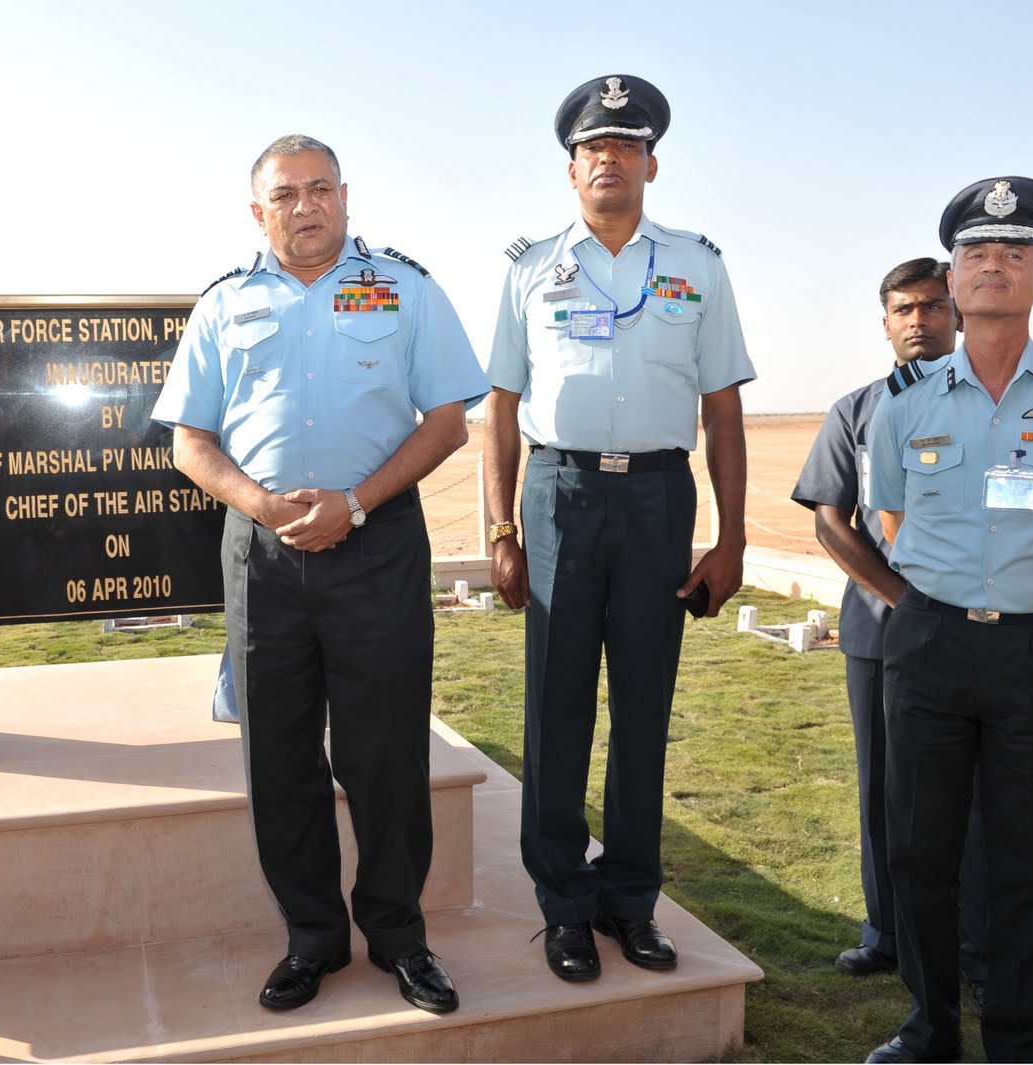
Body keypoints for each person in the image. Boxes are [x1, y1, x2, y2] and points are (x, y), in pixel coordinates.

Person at [151, 134, 488, 1014]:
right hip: (261, 556)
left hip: (376, 546)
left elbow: (447, 420)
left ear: (346, 196)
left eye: (322, 189)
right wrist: (262, 506)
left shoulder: (407, 288)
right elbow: (191, 440)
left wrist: (356, 502)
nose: (307, 206)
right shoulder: (224, 303)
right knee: (280, 756)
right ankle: (311, 937)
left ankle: (400, 936)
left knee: (384, 751)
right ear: (257, 210)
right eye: (287, 194)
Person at [482, 75, 754, 982]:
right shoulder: (528, 266)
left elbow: (721, 410)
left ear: (651, 162)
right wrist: (500, 529)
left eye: (625, 146)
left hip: (656, 498)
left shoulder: (697, 264)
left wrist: (730, 536)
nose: (609, 159)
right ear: (572, 169)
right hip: (559, 494)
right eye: (593, 148)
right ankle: (563, 906)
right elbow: (502, 405)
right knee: (557, 708)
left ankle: (630, 901)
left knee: (643, 707)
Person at [864, 178, 1033, 1063]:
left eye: (1016, 252)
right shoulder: (904, 398)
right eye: (977, 253)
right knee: (919, 850)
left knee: (1031, 854)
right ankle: (929, 1029)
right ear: (952, 278)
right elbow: (894, 521)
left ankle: (1018, 1035)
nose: (994, 266)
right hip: (931, 640)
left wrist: (1027, 582)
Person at [791, 258, 989, 1009]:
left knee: (969, 795)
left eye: (933, 307)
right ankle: (888, 933)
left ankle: (972, 944)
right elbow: (830, 520)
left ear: (957, 315)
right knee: (885, 789)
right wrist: (906, 603)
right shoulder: (857, 411)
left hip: (978, 630)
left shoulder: (994, 404)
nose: (918, 320)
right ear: (885, 324)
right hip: (885, 632)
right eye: (903, 309)